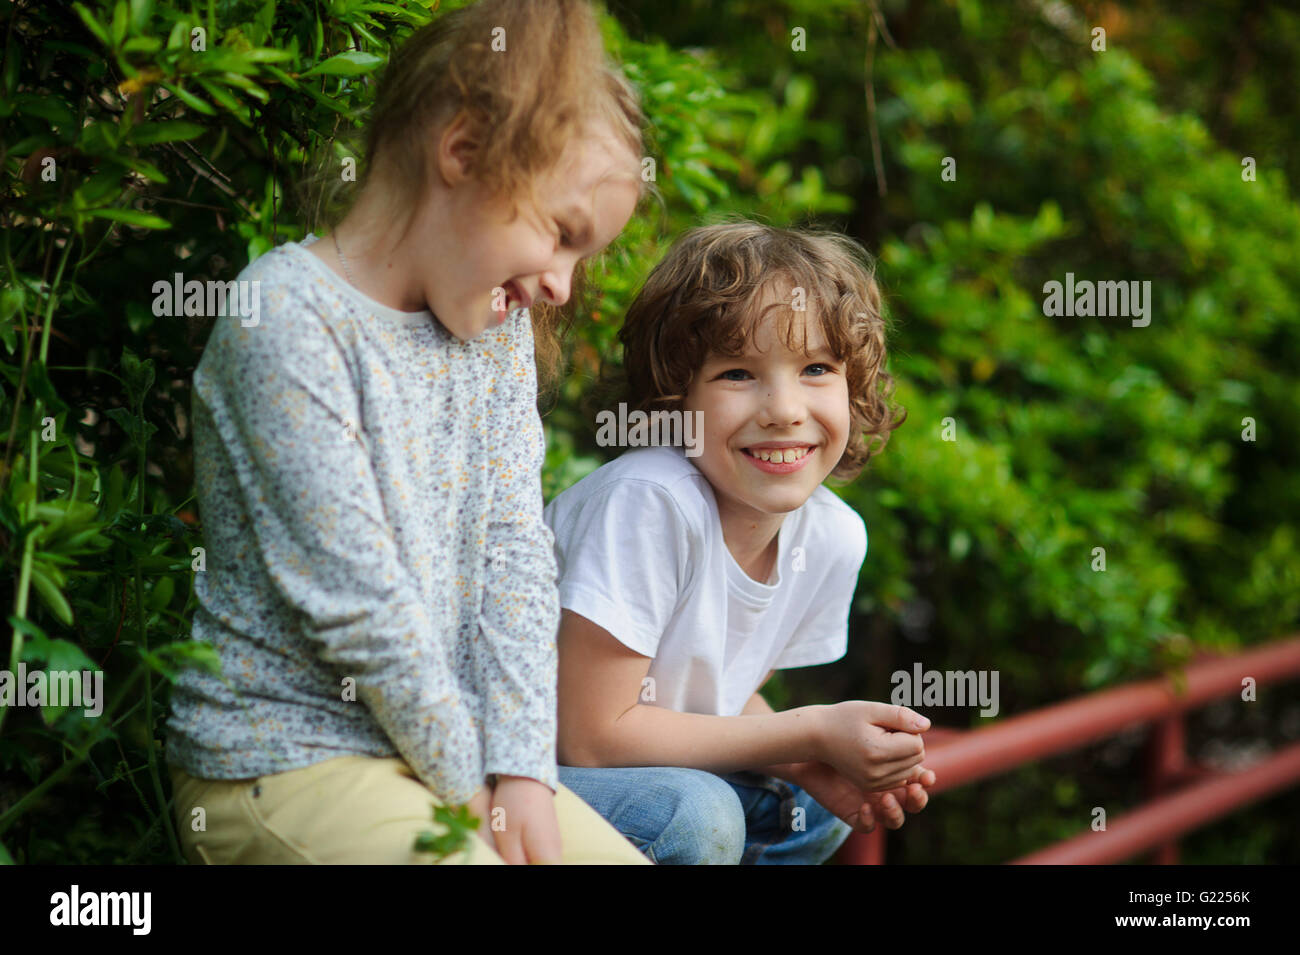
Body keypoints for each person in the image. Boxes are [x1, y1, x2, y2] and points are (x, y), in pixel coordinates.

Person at [165, 0, 650, 865]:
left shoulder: (490, 334)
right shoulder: (284, 319)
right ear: (461, 152)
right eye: (560, 235)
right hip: (285, 765)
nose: (564, 287)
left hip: (437, 759)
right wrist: (475, 802)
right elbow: (361, 608)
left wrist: (526, 776)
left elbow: (514, 554)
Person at [545, 222, 937, 864]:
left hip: (630, 769)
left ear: (854, 387)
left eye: (816, 368)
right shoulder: (649, 502)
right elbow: (590, 739)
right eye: (736, 374)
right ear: (677, 399)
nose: (784, 408)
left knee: (809, 813)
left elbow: (718, 699)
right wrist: (810, 729)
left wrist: (811, 760)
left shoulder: (833, 536)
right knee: (696, 814)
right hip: (513, 769)